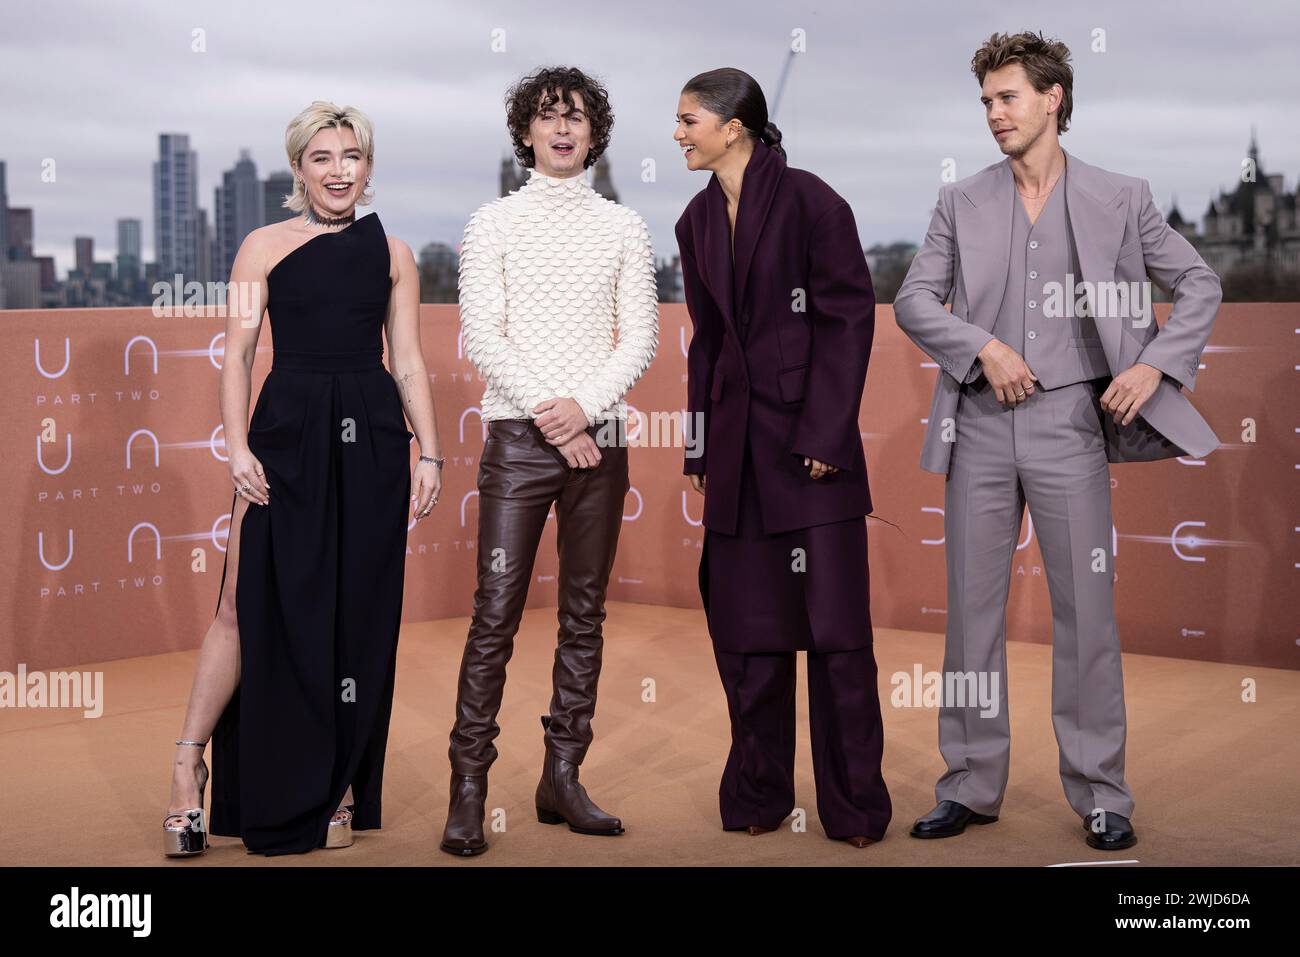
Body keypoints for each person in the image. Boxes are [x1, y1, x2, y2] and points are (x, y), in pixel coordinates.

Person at [894, 32, 1221, 851]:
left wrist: (1155, 366)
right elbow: (913, 301)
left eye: (1007, 98)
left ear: (1053, 99)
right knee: (971, 618)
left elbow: (1199, 281)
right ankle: (969, 783)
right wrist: (982, 347)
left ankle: (1103, 791)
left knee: (1087, 615)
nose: (994, 115)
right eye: (986, 102)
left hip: (1073, 424)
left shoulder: (1122, 196)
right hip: (977, 426)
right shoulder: (959, 201)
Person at [162, 101, 443, 857]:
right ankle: (189, 765)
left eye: (352, 155)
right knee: (240, 604)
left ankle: (337, 781)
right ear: (298, 169)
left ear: (368, 167)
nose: (339, 170)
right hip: (284, 436)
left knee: (353, 618)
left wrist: (431, 451)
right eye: (322, 157)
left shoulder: (393, 253)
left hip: (372, 441)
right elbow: (238, 352)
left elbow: (408, 359)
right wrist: (236, 444)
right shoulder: (260, 247)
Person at [440, 66, 658, 857]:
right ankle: (469, 787)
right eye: (546, 116)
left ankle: (562, 776)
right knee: (494, 614)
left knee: (584, 614)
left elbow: (640, 337)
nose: (562, 128)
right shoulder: (490, 223)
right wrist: (555, 415)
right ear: (525, 134)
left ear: (595, 134)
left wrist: (584, 412)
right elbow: (483, 337)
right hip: (521, 444)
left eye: (576, 117)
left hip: (599, 442)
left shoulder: (625, 228)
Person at [674, 67, 891, 847]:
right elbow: (704, 342)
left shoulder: (814, 202)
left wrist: (828, 436)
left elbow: (847, 320)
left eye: (689, 119)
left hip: (812, 455)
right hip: (734, 458)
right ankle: (759, 795)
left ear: (735, 126)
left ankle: (856, 808)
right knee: (749, 637)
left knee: (837, 640)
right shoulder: (694, 222)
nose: (677, 133)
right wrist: (697, 444)